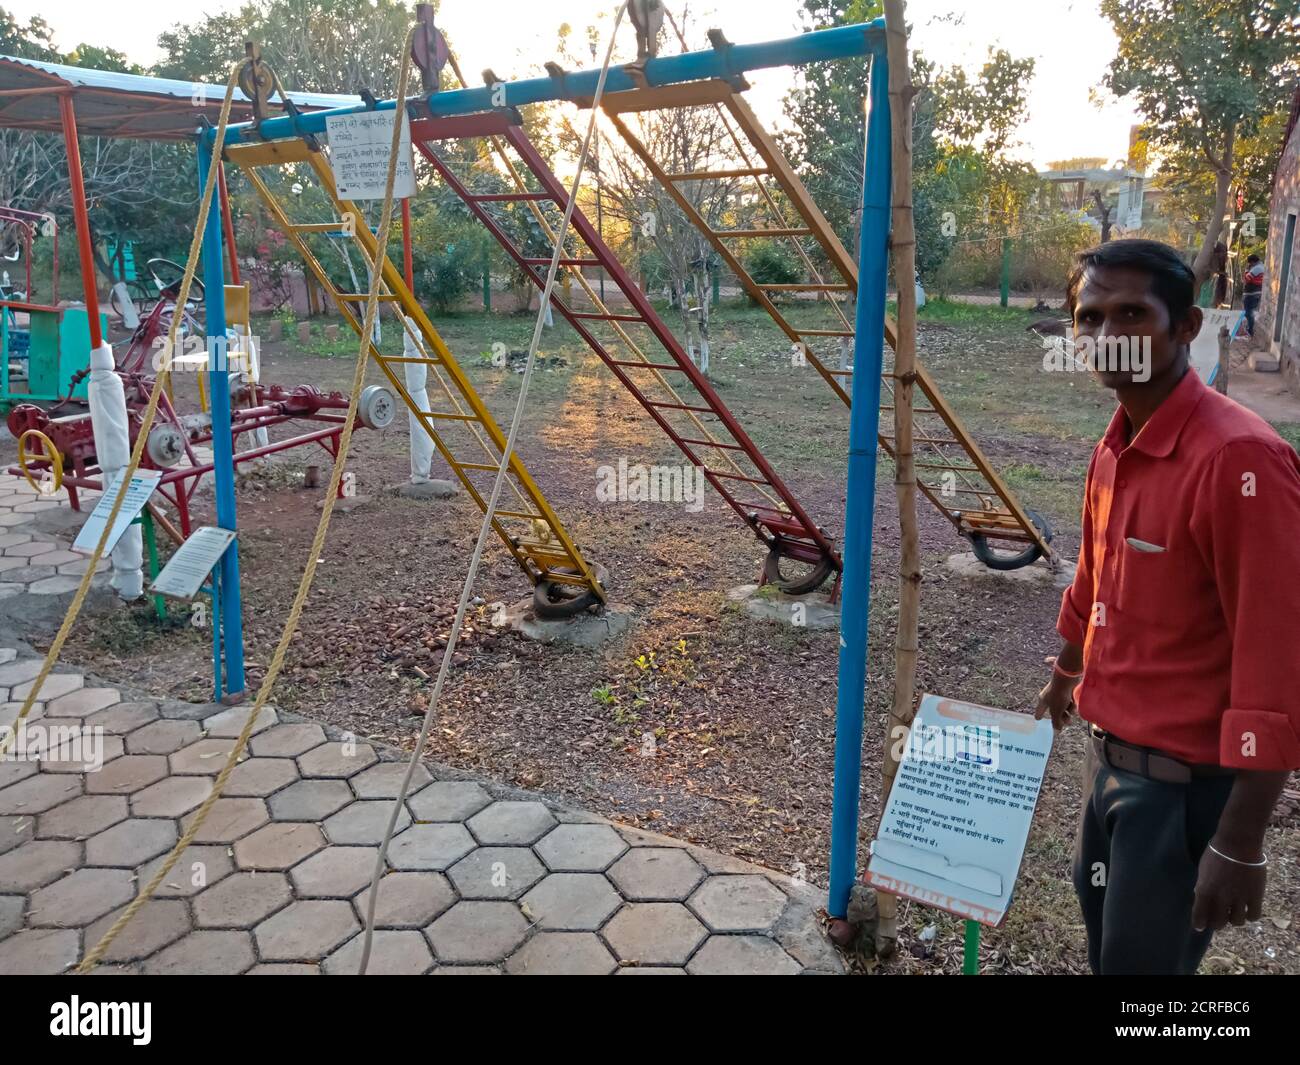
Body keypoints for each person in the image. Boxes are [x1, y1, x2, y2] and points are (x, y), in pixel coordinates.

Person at [1035, 239, 1300, 975]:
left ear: (1186, 326)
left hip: (1182, 795)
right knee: (1109, 954)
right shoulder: (1115, 446)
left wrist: (1240, 840)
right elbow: (1095, 581)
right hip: (1108, 764)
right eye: (1090, 317)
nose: (1107, 336)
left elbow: (1276, 657)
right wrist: (1065, 673)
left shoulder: (1239, 460)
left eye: (1132, 314)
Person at [1242, 253, 1265, 338]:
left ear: (1252, 262)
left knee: (1248, 312)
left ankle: (1250, 331)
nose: (1249, 265)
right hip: (1255, 293)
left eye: (1250, 263)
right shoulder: (1261, 267)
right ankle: (1249, 329)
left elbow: (1245, 279)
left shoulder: (1257, 269)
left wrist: (1247, 270)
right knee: (1249, 312)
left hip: (1251, 293)